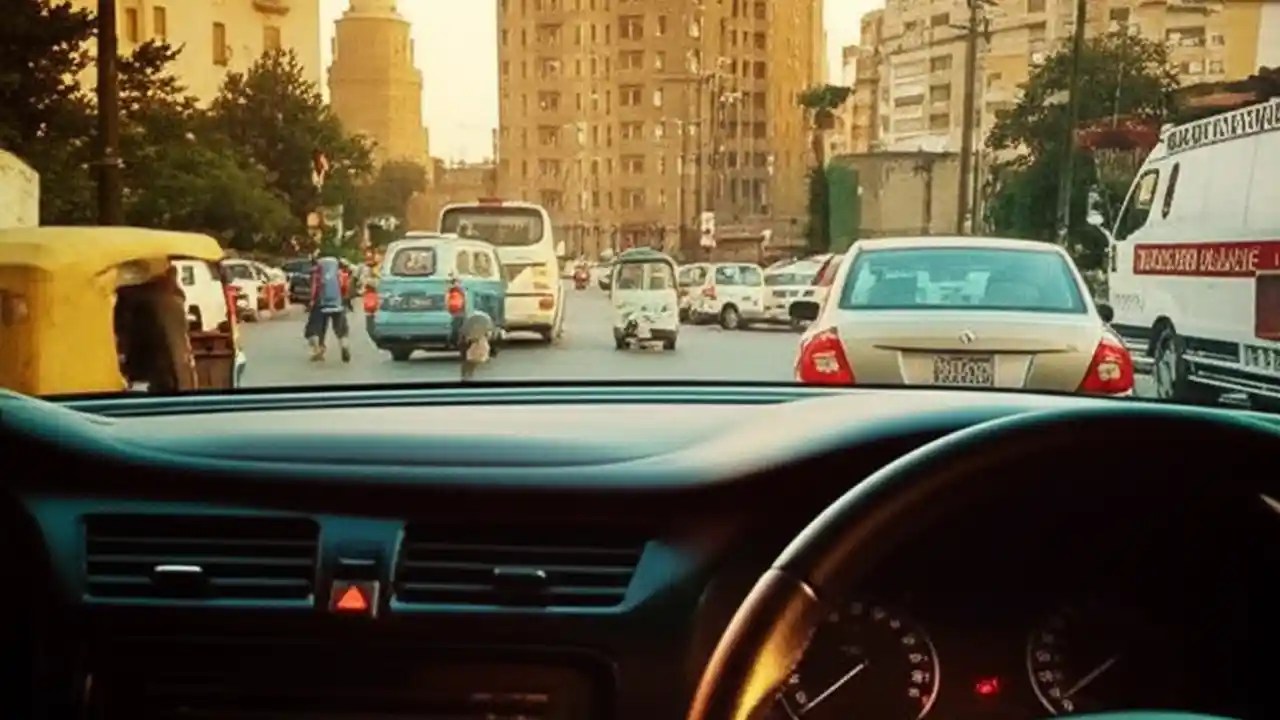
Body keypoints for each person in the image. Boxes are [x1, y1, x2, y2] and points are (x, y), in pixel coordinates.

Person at [305, 255, 352, 362]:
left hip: (321, 304)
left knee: (314, 328)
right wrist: (344, 301)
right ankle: (344, 345)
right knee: (341, 329)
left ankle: (318, 350)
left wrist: (311, 301)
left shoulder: (317, 273)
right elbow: (345, 288)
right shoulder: (339, 273)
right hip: (337, 304)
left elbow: (314, 288)